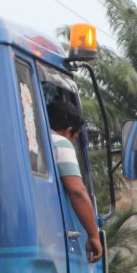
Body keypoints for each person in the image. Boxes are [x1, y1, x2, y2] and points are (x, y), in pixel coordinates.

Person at [47, 99, 103, 263]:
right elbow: (77, 192)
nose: (72, 142)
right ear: (69, 130)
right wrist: (93, 235)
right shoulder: (60, 143)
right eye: (74, 138)